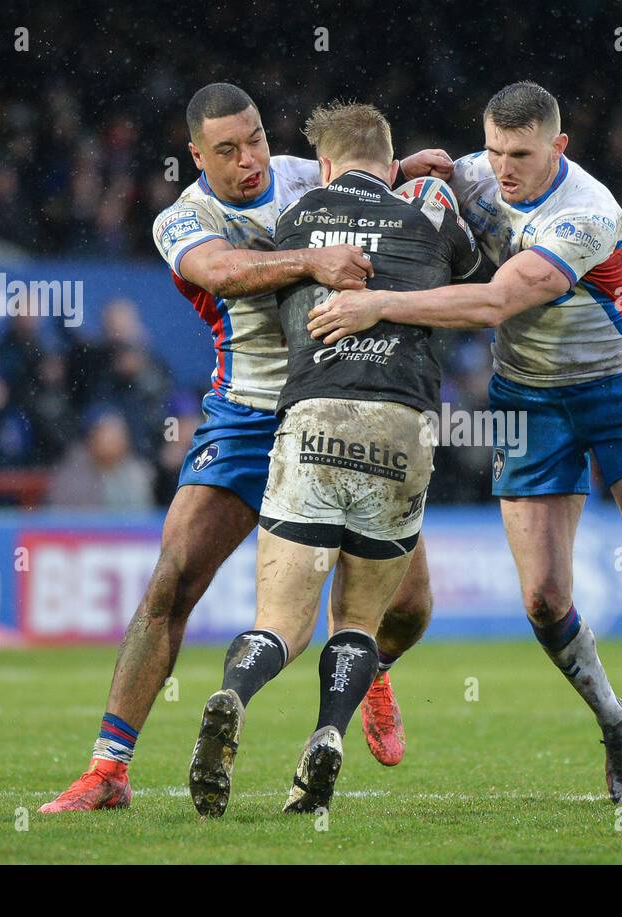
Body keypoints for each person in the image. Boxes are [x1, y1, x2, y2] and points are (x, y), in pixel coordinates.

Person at [307, 82, 622, 809]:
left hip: (619, 384)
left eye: (521, 153)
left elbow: (493, 302)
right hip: (528, 397)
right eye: (495, 150)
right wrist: (399, 170)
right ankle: (616, 721)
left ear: (559, 147)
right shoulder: (475, 175)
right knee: (544, 599)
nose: (504, 168)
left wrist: (378, 303)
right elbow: (388, 184)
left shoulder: (589, 213)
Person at [40, 83, 451, 813]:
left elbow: (368, 173)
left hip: (340, 406)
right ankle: (108, 769)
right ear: (196, 157)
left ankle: (366, 664)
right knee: (172, 582)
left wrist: (408, 165)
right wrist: (312, 262)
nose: (249, 159)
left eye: (256, 137)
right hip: (248, 414)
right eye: (226, 150)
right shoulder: (183, 219)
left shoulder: (300, 172)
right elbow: (221, 271)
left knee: (413, 606)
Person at [188, 101, 486, 816]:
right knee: (356, 622)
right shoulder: (431, 218)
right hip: (402, 421)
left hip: (313, 412)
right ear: (390, 166)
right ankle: (327, 733)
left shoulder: (291, 225)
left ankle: (235, 692)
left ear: (321, 168)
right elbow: (472, 264)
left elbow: (244, 279)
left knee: (282, 622)